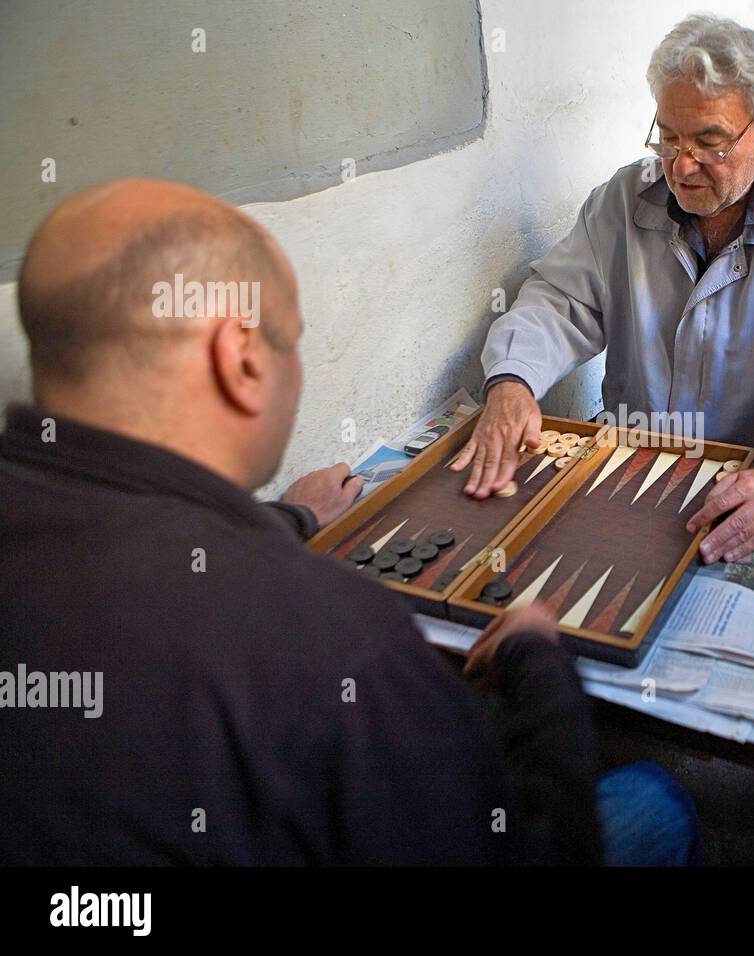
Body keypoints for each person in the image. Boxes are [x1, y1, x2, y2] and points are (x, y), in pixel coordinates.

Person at [0, 178, 696, 866]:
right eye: (290, 342)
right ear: (238, 358)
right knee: (657, 800)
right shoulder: (337, 639)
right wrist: (540, 669)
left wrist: (290, 517)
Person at [454, 14, 754, 565]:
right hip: (634, 463)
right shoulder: (623, 198)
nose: (681, 165)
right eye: (669, 137)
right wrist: (513, 379)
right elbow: (561, 302)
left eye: (709, 142)